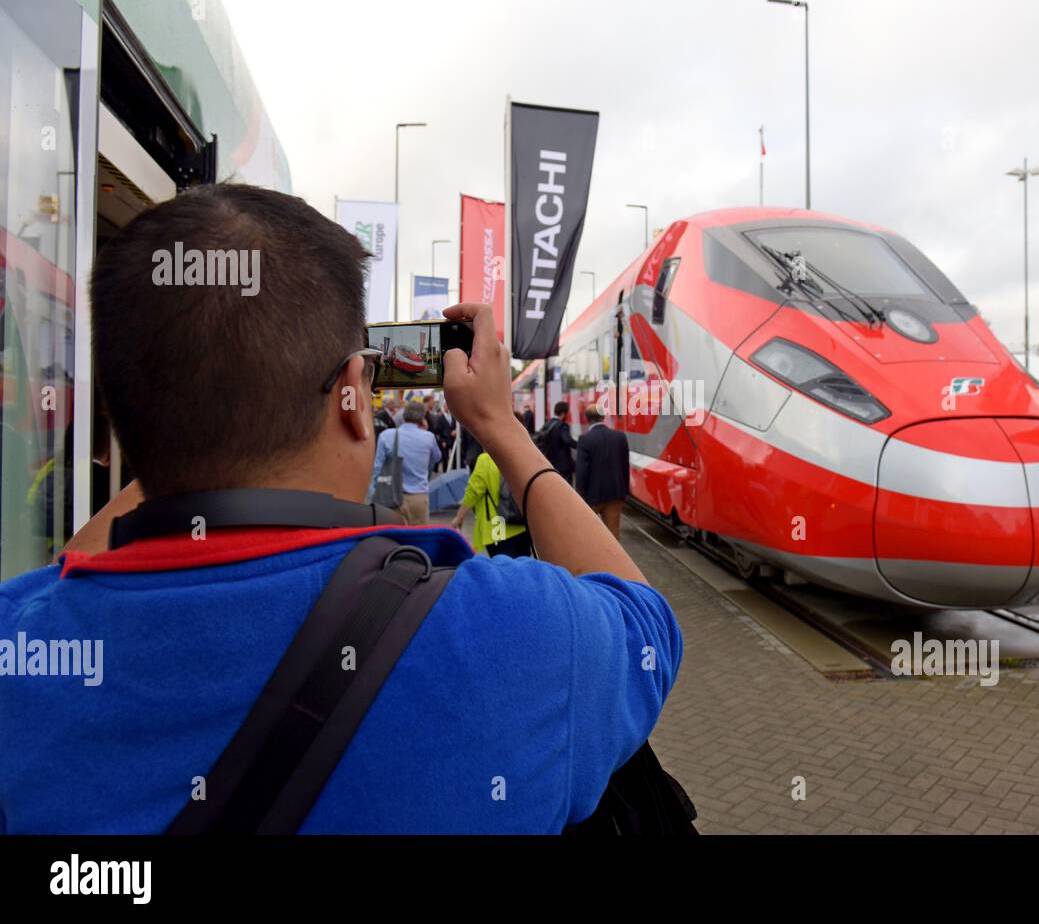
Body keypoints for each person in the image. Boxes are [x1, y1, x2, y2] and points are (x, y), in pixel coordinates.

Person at [0, 184, 681, 833]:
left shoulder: (23, 648)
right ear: (354, 396)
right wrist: (500, 427)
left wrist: (182, 426)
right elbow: (649, 629)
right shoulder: (510, 630)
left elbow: (66, 575)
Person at [451, 413, 532, 556]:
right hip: (523, 525)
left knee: (501, 570)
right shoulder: (528, 456)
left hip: (497, 524)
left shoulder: (487, 460)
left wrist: (459, 518)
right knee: (520, 571)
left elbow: (473, 492)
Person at [371, 401, 442, 525]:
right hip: (418, 497)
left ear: (403, 415)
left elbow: (377, 468)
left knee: (392, 538)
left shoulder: (386, 436)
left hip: (391, 495)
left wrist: (375, 491)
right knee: (418, 538)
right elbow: (437, 458)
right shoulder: (428, 437)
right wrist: (425, 431)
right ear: (422, 417)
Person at [575, 403, 630, 538]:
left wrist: (580, 494)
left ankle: (593, 558)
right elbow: (625, 466)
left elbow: (582, 470)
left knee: (588, 535)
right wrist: (624, 492)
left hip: (592, 496)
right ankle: (613, 559)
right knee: (612, 535)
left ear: (587, 419)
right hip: (615, 494)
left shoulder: (585, 439)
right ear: (603, 416)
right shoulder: (620, 437)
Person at [537, 401, 578, 483]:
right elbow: (568, 440)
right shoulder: (562, 426)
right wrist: (580, 445)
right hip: (563, 466)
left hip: (549, 462)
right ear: (563, 413)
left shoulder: (547, 424)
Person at [431, 400, 458, 475]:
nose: (448, 408)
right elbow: (437, 431)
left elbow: (456, 426)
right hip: (444, 441)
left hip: (453, 440)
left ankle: (454, 471)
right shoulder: (440, 418)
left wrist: (456, 431)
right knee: (445, 458)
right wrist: (442, 441)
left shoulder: (453, 417)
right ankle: (445, 473)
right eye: (446, 406)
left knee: (455, 456)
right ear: (444, 407)